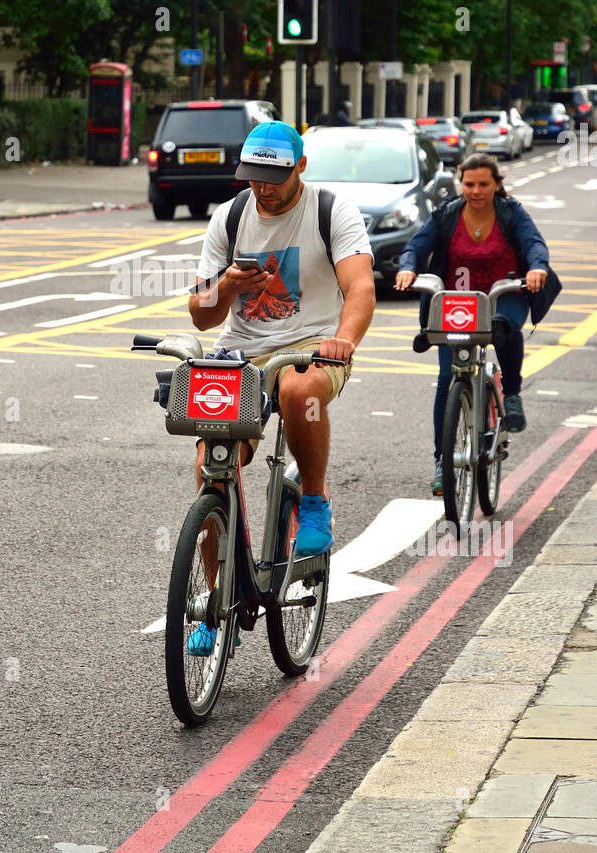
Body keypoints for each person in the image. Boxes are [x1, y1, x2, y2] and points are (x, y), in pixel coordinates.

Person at [186, 123, 376, 652]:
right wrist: (224, 287)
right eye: (254, 178)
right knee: (210, 466)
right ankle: (217, 602)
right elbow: (202, 317)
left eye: (274, 177)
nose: (263, 189)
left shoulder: (330, 210)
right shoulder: (229, 217)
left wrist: (344, 338)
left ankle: (313, 503)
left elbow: (360, 285)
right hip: (242, 351)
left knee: (298, 391)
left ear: (300, 168)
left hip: (314, 346)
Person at [394, 153, 551, 495]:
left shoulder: (511, 213)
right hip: (458, 299)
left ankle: (511, 393)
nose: (476, 190)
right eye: (469, 184)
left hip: (502, 293)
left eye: (483, 184)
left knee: (505, 327)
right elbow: (417, 246)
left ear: (497, 184)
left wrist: (537, 267)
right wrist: (408, 267)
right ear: (460, 184)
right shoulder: (448, 213)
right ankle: (442, 461)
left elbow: (534, 244)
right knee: (447, 377)